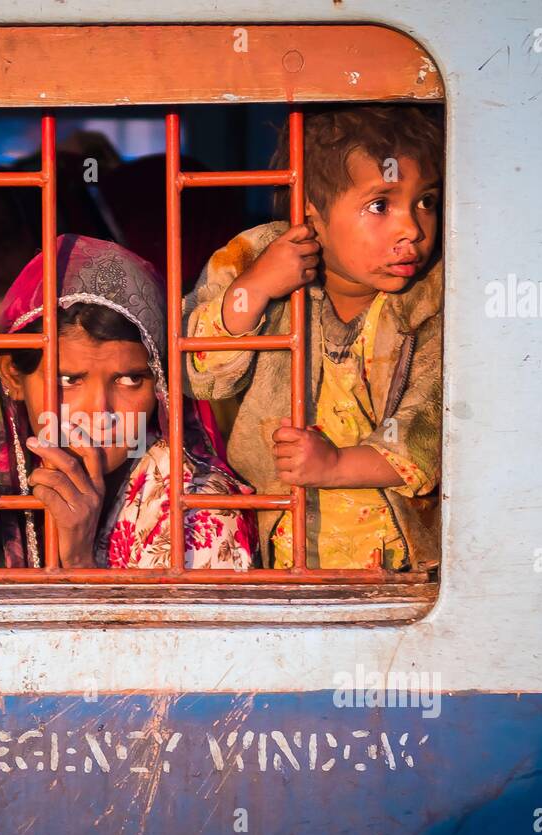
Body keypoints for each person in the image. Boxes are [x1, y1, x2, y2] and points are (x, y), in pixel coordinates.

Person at [0, 235, 256, 579]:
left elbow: (182, 669)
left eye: (130, 379)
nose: (99, 411)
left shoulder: (199, 506)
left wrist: (77, 562)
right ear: (12, 376)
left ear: (161, 384)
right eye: (68, 379)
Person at [184, 105, 444, 572]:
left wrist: (336, 465)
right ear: (312, 208)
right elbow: (202, 374)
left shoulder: (434, 296)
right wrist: (258, 287)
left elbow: (431, 431)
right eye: (380, 205)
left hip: (399, 565)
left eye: (425, 200)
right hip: (280, 550)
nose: (412, 229)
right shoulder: (255, 257)